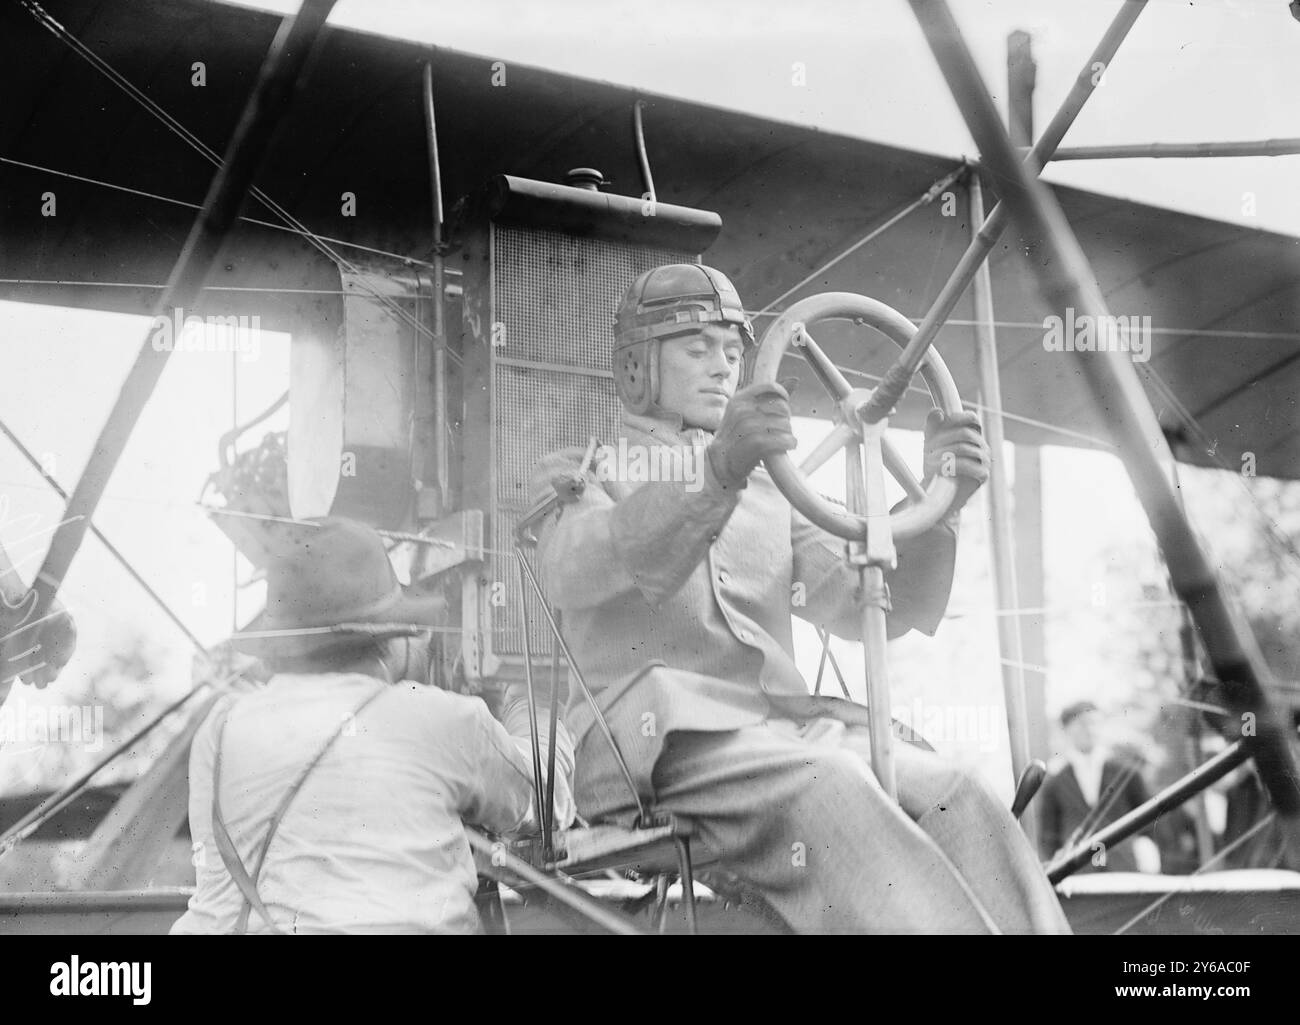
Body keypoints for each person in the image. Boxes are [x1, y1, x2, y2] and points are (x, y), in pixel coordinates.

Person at [529, 263, 1069, 933]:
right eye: (698, 348)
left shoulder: (770, 488)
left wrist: (941, 501)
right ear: (636, 366)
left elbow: (862, 599)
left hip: (779, 731)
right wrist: (716, 474)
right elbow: (577, 569)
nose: (722, 368)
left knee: (961, 791)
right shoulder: (583, 470)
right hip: (653, 747)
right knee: (833, 785)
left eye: (732, 352)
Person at [172, 517, 573, 935]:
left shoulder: (221, 729)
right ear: (391, 640)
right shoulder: (440, 719)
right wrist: (536, 700)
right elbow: (548, 805)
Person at [1038, 700, 1159, 873]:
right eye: (1081, 724)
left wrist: (1147, 849)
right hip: (1078, 874)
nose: (1089, 730)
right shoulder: (1055, 783)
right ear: (1067, 730)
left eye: (1095, 723)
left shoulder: (1127, 773)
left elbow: (1150, 819)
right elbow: (1048, 836)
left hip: (1126, 870)